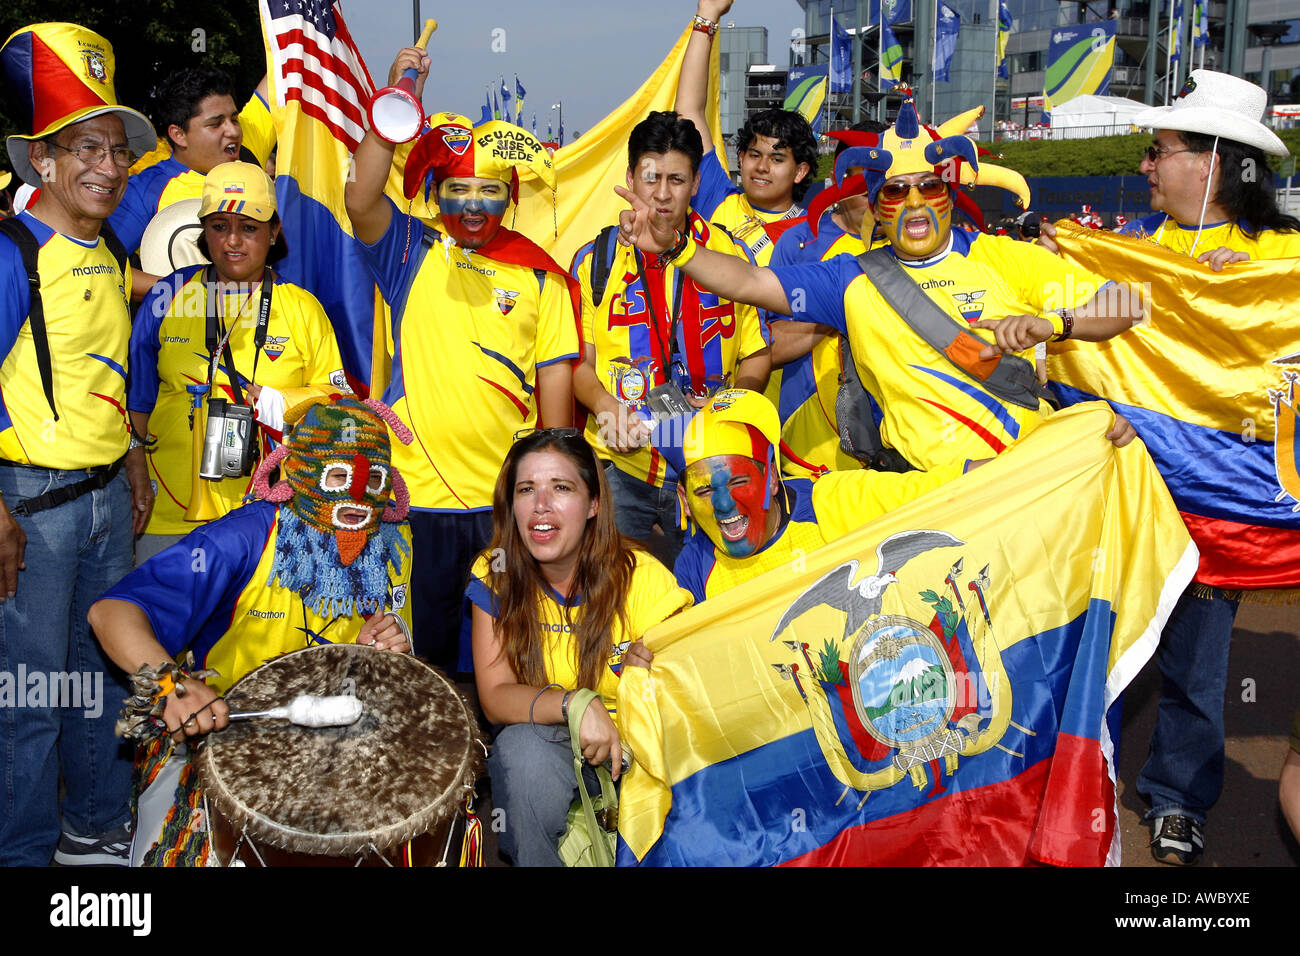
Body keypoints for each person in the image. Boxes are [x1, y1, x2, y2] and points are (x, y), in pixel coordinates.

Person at [1039, 70, 1300, 865]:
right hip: (1123, 498)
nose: (1147, 166)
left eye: (1161, 151)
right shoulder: (1124, 256)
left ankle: (1178, 796)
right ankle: (1071, 792)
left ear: (1213, 163)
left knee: (1196, 666)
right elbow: (1069, 346)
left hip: (1222, 512)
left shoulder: (1284, 268)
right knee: (1091, 657)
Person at [615, 93, 1142, 474]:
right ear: (875, 204)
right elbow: (748, 280)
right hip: (924, 490)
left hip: (1021, 477)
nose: (914, 203)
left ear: (950, 192)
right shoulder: (851, 278)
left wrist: (1053, 323)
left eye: (929, 186)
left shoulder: (1002, 257)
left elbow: (1127, 302)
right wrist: (676, 248)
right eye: (895, 191)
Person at [89, 396, 413, 864]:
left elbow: (393, 666)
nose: (355, 496)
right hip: (217, 743)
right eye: (339, 476)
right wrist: (172, 686)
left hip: (333, 746)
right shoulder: (243, 537)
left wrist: (380, 650)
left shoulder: (392, 542)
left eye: (373, 481)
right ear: (297, 471)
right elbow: (112, 611)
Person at [345, 43, 580, 674]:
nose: (472, 204)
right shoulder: (411, 252)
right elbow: (361, 200)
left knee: (499, 672)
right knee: (416, 672)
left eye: (488, 190)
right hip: (413, 510)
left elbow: (555, 426)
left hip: (504, 516)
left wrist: (540, 506)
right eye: (457, 189)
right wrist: (396, 103)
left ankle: (495, 776)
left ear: (510, 195)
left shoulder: (544, 280)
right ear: (434, 193)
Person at [0, 22, 158, 866]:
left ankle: (96, 828)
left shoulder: (112, 249)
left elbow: (107, 370)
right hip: (33, 507)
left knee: (104, 682)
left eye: (117, 150)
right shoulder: (11, 252)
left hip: (105, 501)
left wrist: (131, 457)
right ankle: (22, 852)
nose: (107, 165)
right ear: (46, 163)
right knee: (28, 699)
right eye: (85, 147)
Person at [467, 429, 692, 866]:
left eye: (562, 488)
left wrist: (652, 677)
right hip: (556, 742)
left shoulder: (643, 577)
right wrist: (575, 704)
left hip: (640, 749)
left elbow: (687, 699)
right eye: (526, 489)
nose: (541, 505)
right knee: (521, 752)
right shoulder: (496, 573)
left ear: (593, 505)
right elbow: (494, 699)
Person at [570, 110, 770, 563]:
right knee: (614, 595)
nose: (662, 194)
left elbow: (758, 354)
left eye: (677, 179)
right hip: (623, 467)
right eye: (651, 177)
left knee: (712, 597)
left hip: (712, 464)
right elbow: (579, 365)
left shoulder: (728, 253)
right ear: (629, 177)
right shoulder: (594, 259)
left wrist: (730, 406)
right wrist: (606, 409)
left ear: (696, 183)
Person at [129, 161, 347, 562]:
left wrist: (279, 402)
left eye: (249, 228)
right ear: (203, 231)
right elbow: (137, 400)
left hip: (270, 511)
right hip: (167, 511)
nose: (233, 241)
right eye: (219, 226)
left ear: (273, 232)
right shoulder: (168, 296)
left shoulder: (303, 308)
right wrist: (136, 474)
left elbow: (337, 401)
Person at [767, 124, 885, 478]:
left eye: (883, 181)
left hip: (890, 447)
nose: (872, 193)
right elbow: (766, 344)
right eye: (860, 182)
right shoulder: (799, 242)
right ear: (838, 181)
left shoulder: (909, 248)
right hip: (807, 450)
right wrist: (836, 309)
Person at [109, 67, 274, 298]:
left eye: (234, 119)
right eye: (216, 124)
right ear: (178, 134)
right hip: (188, 330)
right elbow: (105, 266)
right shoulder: (147, 190)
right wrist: (188, 290)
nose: (233, 131)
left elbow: (282, 72)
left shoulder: (247, 150)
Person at [675, 0, 817, 265]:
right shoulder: (716, 197)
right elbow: (688, 111)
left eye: (777, 159)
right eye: (755, 154)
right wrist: (707, 15)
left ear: (800, 171)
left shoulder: (815, 235)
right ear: (740, 158)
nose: (762, 166)